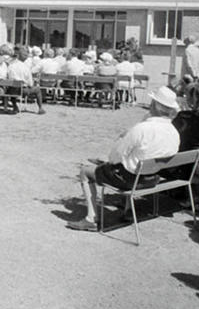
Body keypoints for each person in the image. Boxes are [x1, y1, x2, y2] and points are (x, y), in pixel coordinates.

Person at [67, 86, 181, 232]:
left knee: (85, 171)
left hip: (131, 180)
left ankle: (91, 218)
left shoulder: (142, 129)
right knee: (133, 163)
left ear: (154, 105)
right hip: (152, 178)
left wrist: (108, 161)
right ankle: (128, 210)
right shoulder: (173, 132)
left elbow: (116, 156)